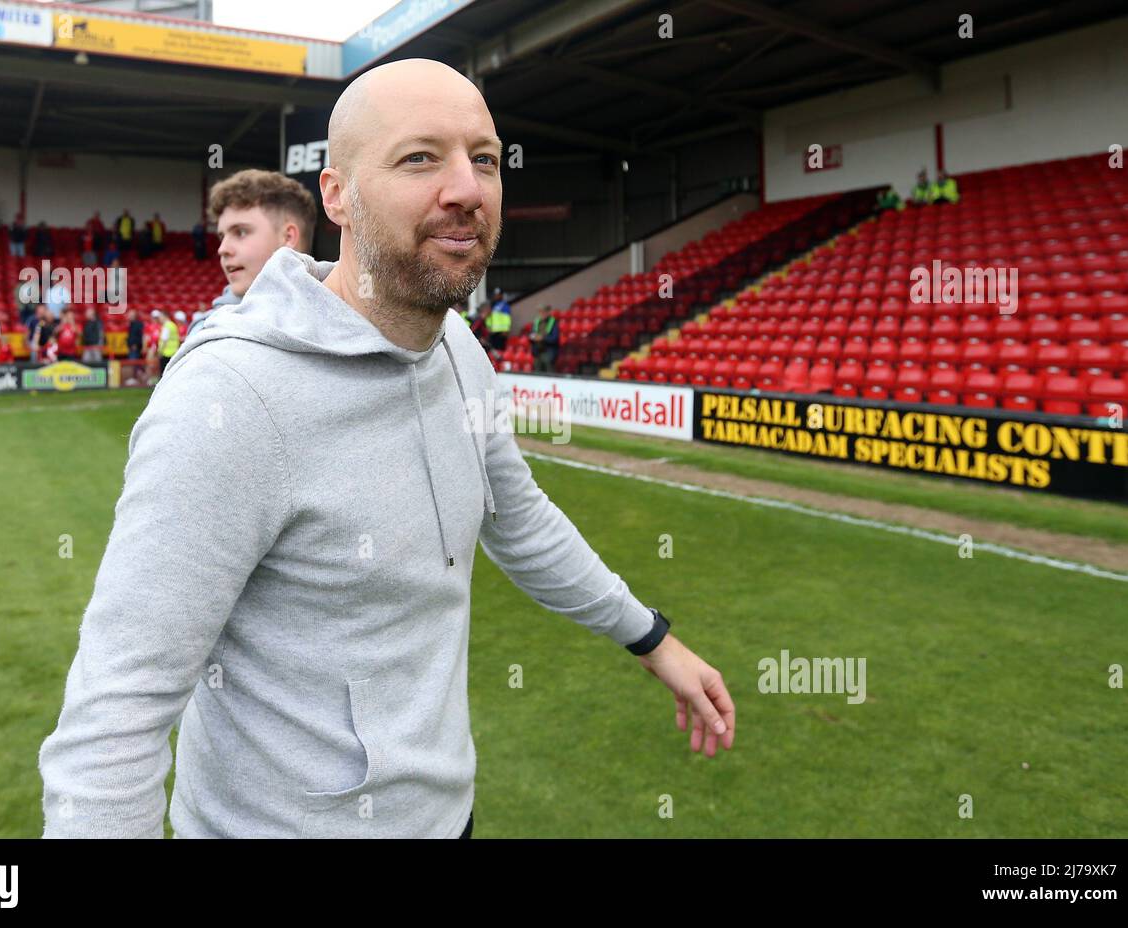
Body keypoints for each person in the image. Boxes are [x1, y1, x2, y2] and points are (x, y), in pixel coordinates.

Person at [38, 57, 734, 841]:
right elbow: (118, 712)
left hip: (445, 820)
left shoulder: (460, 349)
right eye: (419, 158)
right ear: (336, 195)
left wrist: (648, 635)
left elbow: (520, 519)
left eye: (484, 158)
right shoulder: (230, 394)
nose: (466, 188)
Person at [185, 169, 318, 341]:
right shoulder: (207, 335)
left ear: (288, 237)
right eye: (222, 236)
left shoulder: (344, 321)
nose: (222, 249)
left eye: (240, 232)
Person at [529, 304, 560, 372]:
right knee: (536, 367)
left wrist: (543, 338)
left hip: (548, 351)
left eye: (543, 312)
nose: (541, 314)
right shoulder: (537, 321)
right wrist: (533, 337)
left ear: (548, 312)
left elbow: (555, 338)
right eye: (540, 312)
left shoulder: (553, 322)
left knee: (548, 368)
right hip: (537, 351)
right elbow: (531, 334)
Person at [154, 309, 180, 377]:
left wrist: (160, 351)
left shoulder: (166, 326)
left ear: (165, 316)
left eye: (160, 316)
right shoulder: (173, 325)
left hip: (166, 353)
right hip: (174, 352)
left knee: (164, 375)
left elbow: (164, 340)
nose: (159, 319)